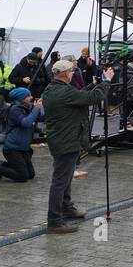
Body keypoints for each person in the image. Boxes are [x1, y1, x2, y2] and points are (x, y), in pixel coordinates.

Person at [40, 59, 114, 234]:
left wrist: (93, 84)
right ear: (65, 74)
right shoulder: (63, 92)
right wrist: (106, 82)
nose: (74, 73)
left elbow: (78, 95)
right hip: (66, 141)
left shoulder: (53, 89)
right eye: (72, 71)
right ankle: (54, 221)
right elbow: (92, 98)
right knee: (60, 181)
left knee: (64, 179)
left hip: (62, 139)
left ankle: (66, 207)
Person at [0, 88, 42, 184]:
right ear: (21, 98)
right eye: (28, 96)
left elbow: (40, 117)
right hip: (12, 148)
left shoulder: (28, 107)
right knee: (22, 176)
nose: (31, 97)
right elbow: (26, 123)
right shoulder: (14, 110)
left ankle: (1, 165)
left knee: (30, 175)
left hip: (23, 148)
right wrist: (36, 109)